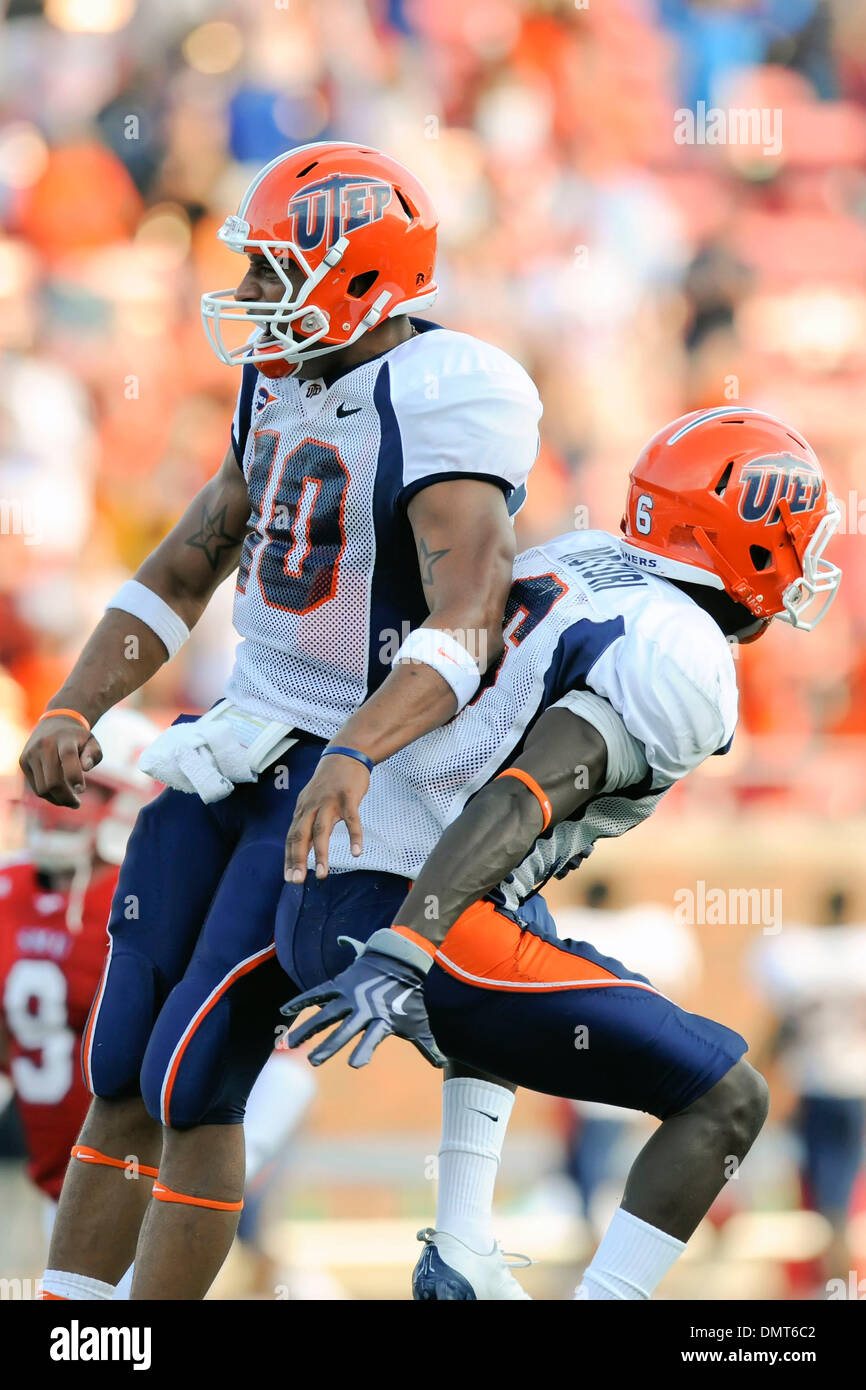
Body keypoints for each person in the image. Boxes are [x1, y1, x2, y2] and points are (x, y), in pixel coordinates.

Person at [18, 141, 542, 1301]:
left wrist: (357, 745)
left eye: (271, 271)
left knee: (195, 1075)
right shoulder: (283, 373)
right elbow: (206, 540)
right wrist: (75, 698)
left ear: (356, 277)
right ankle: (73, 1325)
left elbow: (469, 618)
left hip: (348, 767)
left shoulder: (451, 392)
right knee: (122, 1068)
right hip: (235, 733)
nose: (251, 297)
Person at [281, 405, 843, 1300]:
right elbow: (520, 797)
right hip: (416, 910)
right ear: (748, 544)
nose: (809, 564)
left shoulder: (564, 561)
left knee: (524, 917)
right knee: (727, 1097)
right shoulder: (679, 652)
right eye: (794, 540)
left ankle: (462, 1246)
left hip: (349, 878)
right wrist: (406, 942)